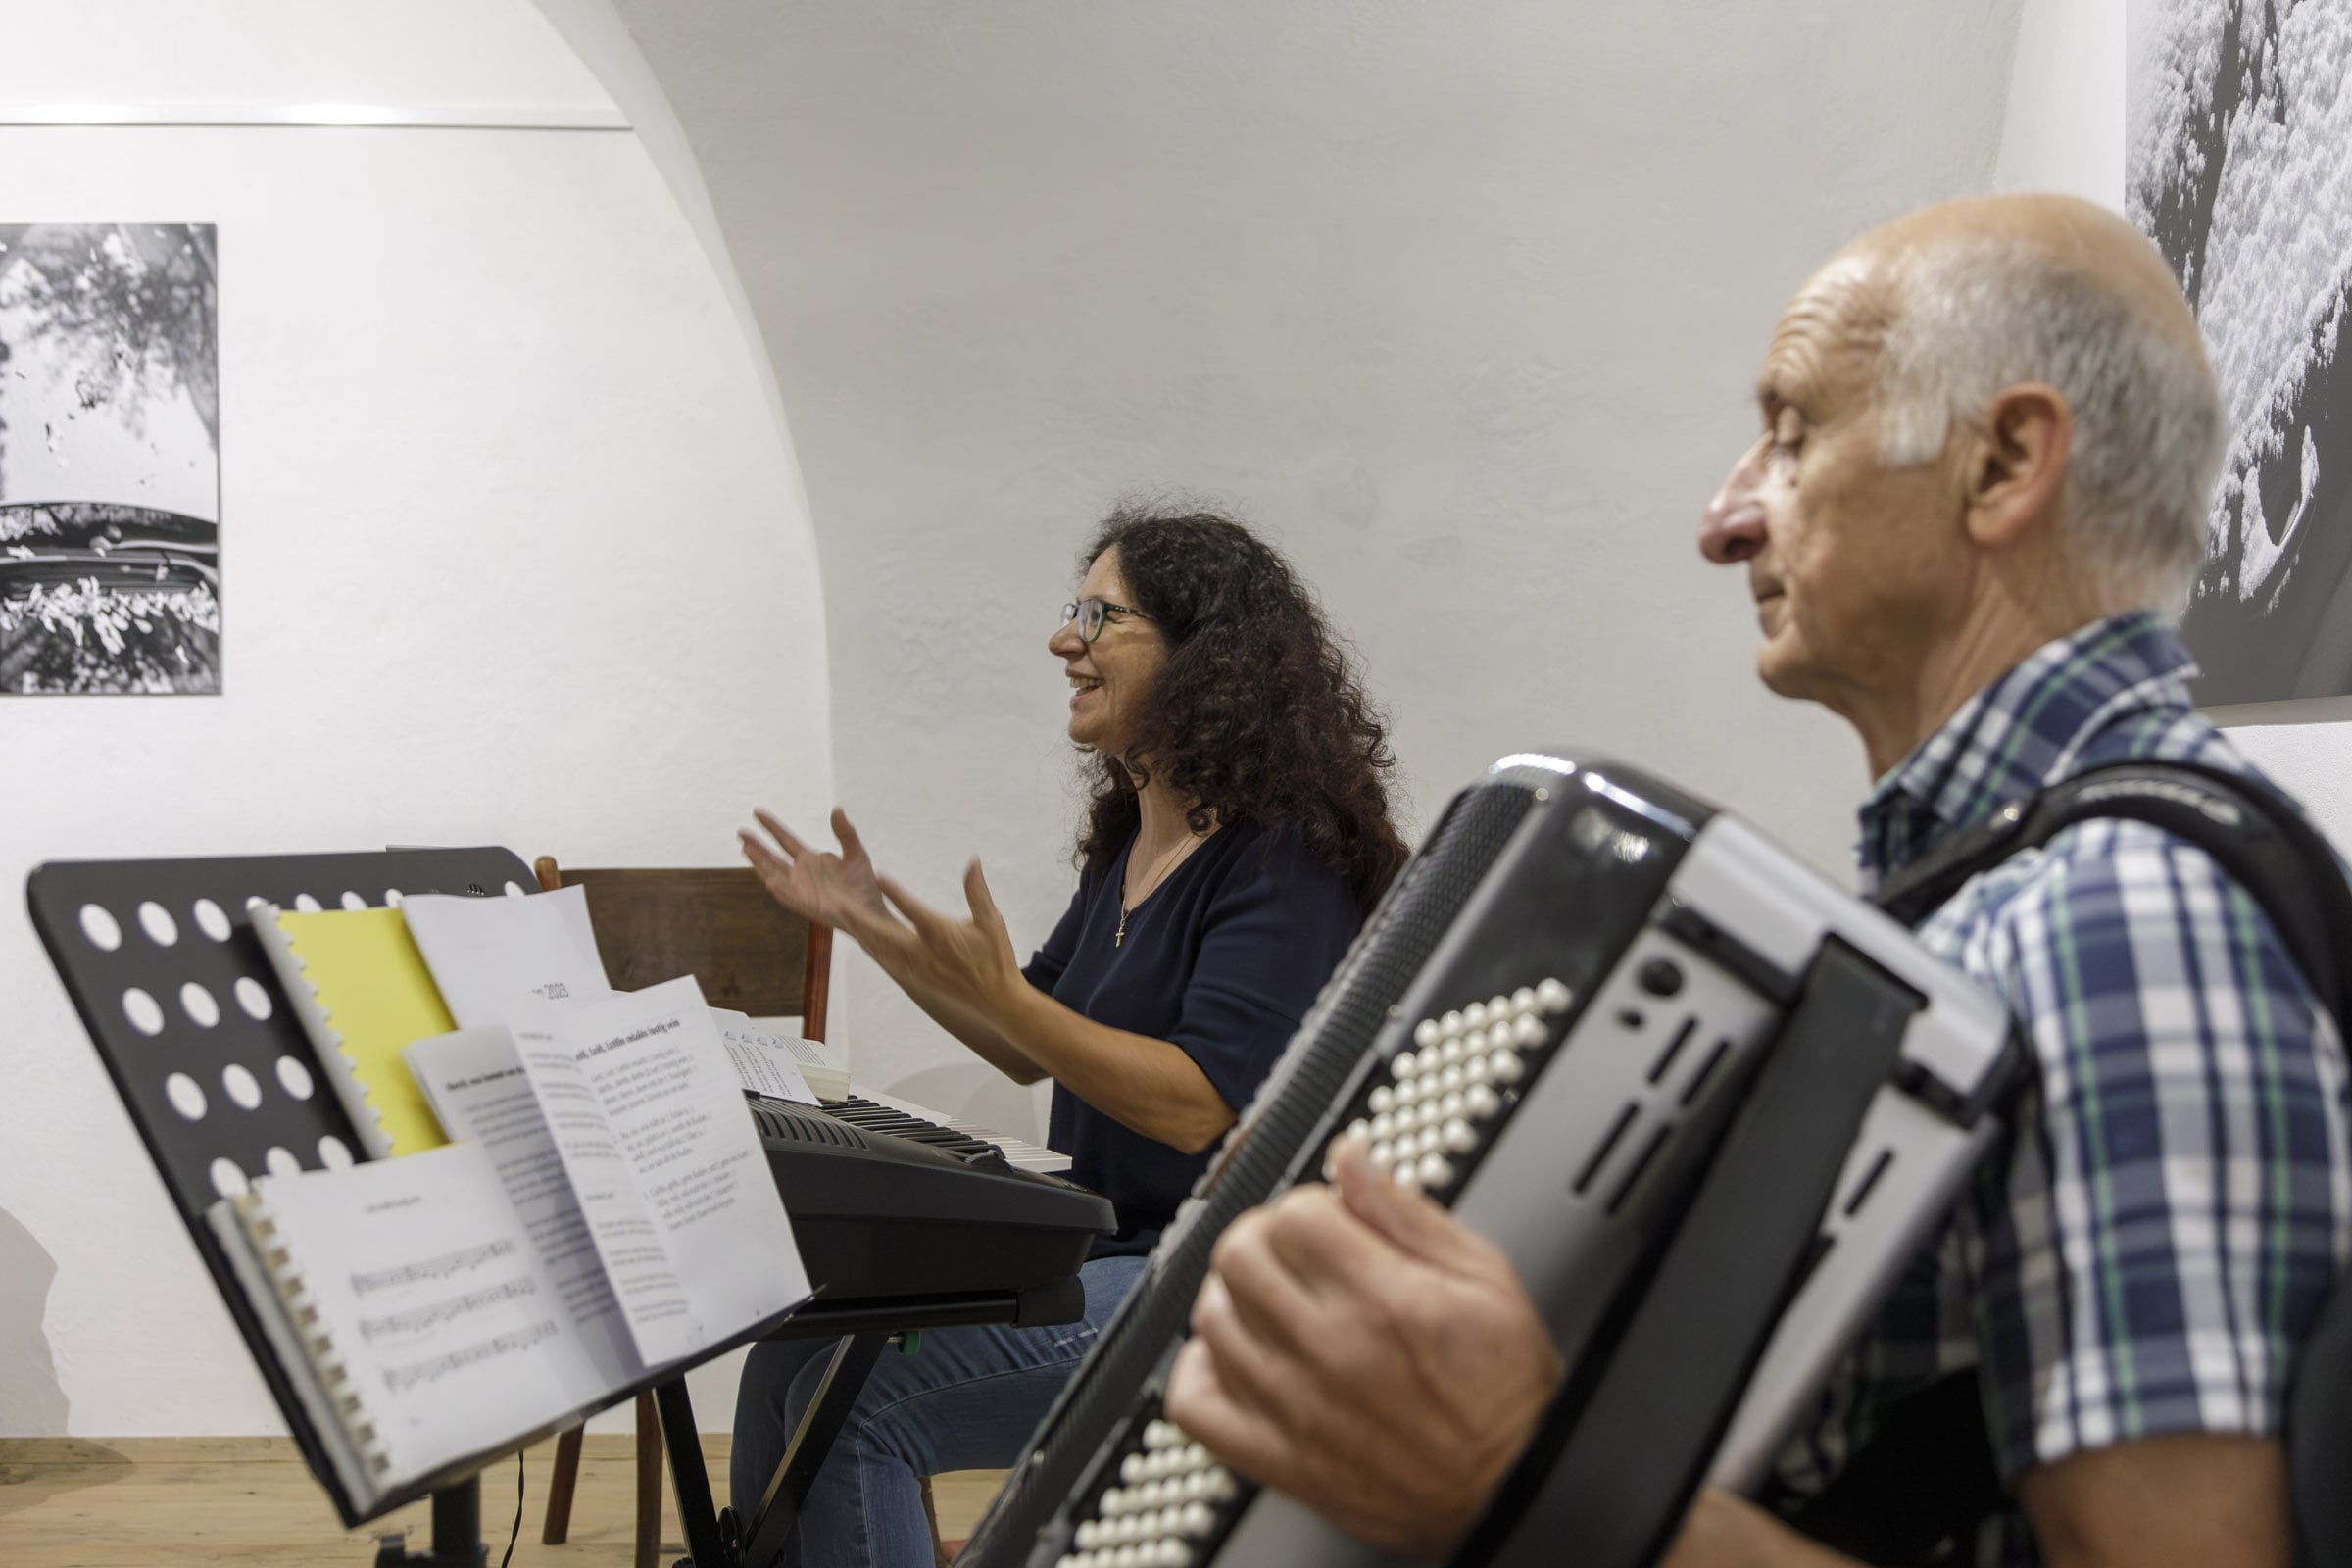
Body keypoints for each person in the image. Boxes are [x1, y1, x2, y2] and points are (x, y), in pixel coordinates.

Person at [1163, 194, 2352, 1567]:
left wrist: (1515, 1475)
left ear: (2004, 463)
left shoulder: (2114, 917)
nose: (1726, 518)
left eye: (1793, 436)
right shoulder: (1994, 906)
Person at [730, 505, 1409, 1566]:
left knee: (858, 1404)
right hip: (1106, 1254)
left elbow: (1198, 1101)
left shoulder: (1282, 858)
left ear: (1203, 656)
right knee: (791, 1352)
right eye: (1071, 609)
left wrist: (1009, 998)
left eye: (1101, 613)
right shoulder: (1133, 845)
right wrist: (869, 929)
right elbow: (1022, 1035)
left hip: (1211, 1287)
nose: (1064, 639)